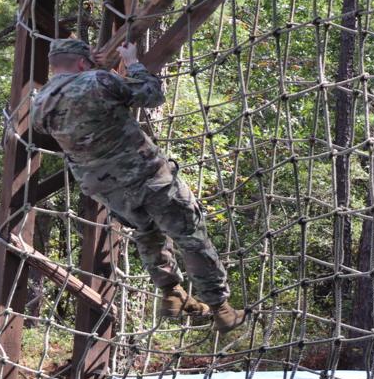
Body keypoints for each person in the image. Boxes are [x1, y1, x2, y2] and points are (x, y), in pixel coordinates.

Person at [31, 37, 244, 331]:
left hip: (106, 189)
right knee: (189, 235)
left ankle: (171, 291)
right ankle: (220, 307)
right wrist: (132, 63)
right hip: (147, 175)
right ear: (82, 63)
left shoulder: (39, 102)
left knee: (148, 231)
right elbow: (151, 94)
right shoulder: (97, 80)